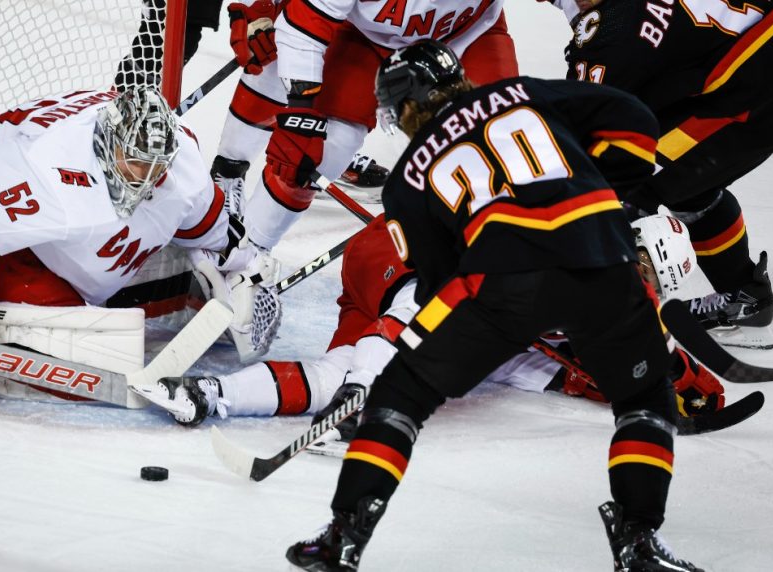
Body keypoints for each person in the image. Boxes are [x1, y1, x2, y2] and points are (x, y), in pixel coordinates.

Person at [285, 41, 704, 571]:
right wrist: (603, 190)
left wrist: (497, 318)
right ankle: (639, 543)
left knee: (399, 392)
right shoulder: (520, 92)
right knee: (644, 398)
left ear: (406, 104)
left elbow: (439, 278)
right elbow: (634, 116)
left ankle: (344, 535)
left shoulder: (408, 175)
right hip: (605, 259)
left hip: (499, 279)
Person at [0, 87, 278, 391]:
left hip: (69, 232)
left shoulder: (182, 169)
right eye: (135, 164)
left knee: (161, 274)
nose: (147, 178)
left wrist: (245, 274)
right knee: (100, 353)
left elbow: (217, 234)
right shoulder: (48, 168)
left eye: (156, 166)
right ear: (106, 145)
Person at [140, 215, 724, 436]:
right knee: (427, 307)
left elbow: (575, 365)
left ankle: (213, 396)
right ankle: (363, 387)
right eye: (645, 265)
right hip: (398, 254)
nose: (644, 281)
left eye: (653, 277)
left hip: (398, 292)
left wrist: (668, 388)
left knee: (333, 370)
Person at [213, 0, 520, 239]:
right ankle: (246, 253)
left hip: (468, 31)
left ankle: (489, 253)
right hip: (363, 32)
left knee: (502, 142)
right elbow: (303, 31)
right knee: (318, 152)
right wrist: (302, 117)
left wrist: (572, 35)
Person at [562, 0, 773, 339]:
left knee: (623, 186)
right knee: (688, 181)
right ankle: (745, 295)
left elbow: (583, 128)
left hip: (754, 91)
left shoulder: (609, 28)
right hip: (744, 71)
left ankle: (622, 323)